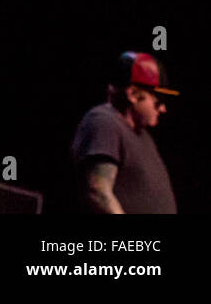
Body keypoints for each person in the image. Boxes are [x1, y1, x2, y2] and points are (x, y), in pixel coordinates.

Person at [70, 51, 178, 213]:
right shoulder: (104, 121)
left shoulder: (142, 135)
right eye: (158, 101)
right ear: (133, 94)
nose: (163, 108)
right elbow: (98, 192)